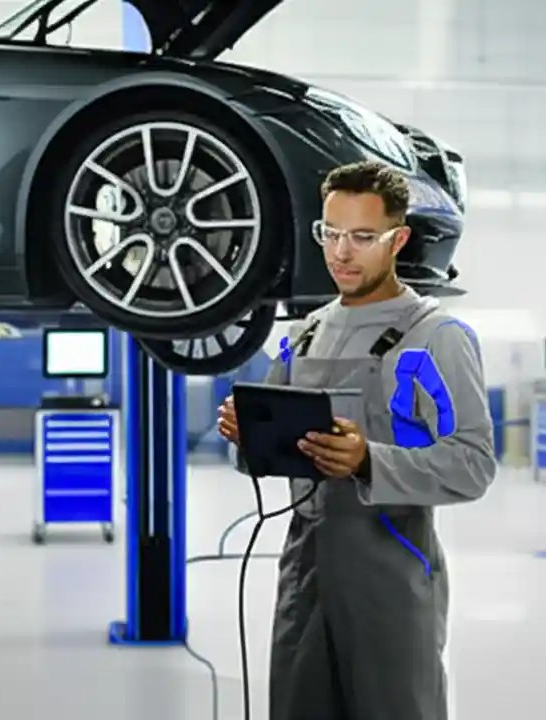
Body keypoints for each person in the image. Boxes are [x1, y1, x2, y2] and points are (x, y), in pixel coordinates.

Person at [217, 159, 497, 720]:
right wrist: (244, 437)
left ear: (399, 239)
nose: (342, 253)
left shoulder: (436, 338)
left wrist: (369, 461)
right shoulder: (306, 335)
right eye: (332, 234)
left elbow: (474, 464)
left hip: (390, 570)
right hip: (305, 568)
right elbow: (261, 452)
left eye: (363, 237)